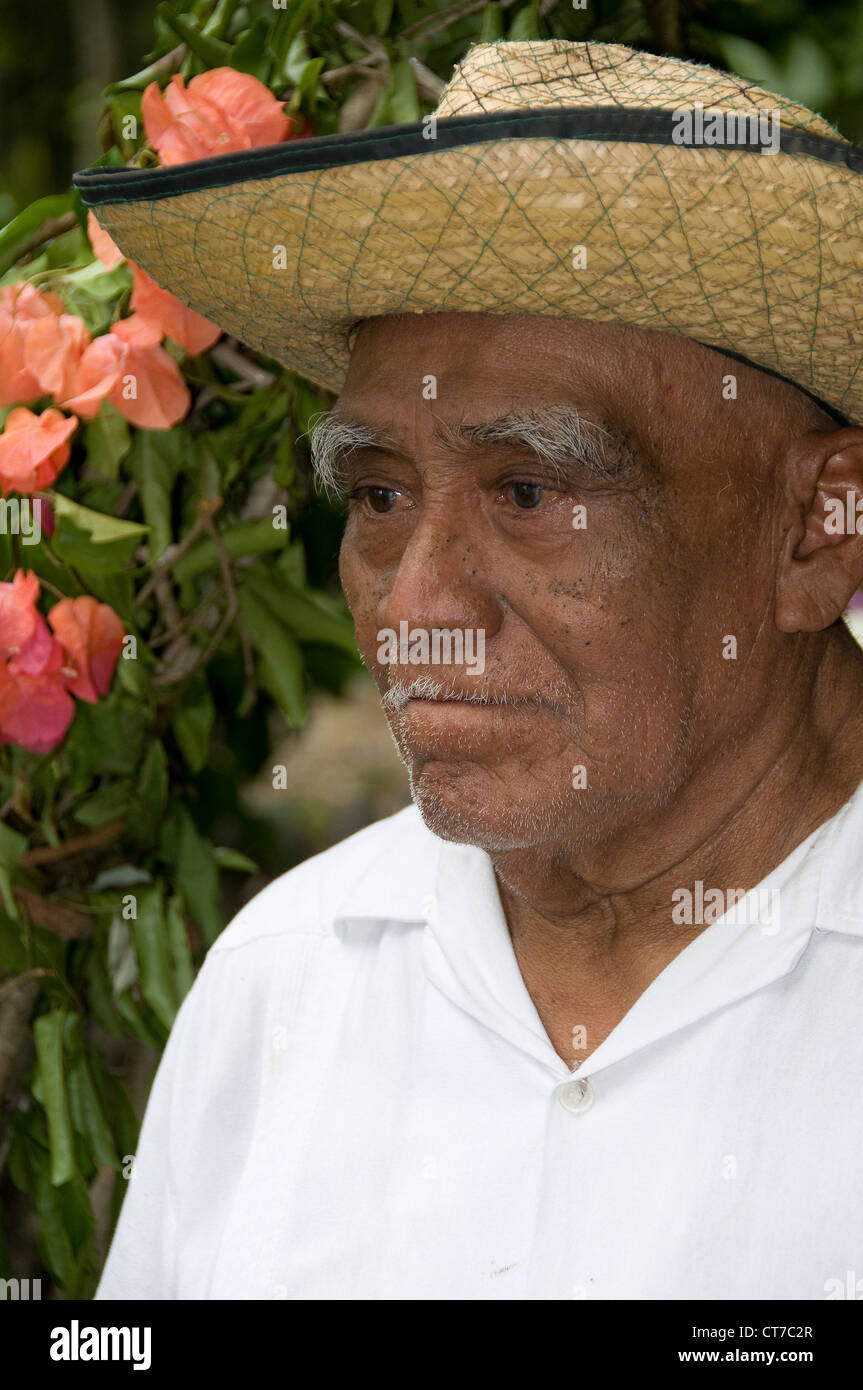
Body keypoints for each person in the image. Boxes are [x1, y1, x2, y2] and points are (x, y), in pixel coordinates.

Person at [75, 39, 863, 1299]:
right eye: (378, 495)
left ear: (818, 528)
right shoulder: (287, 976)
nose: (418, 607)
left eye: (530, 490)